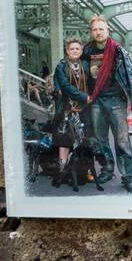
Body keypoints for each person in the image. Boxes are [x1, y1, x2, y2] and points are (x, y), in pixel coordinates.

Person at [83, 15, 132, 194]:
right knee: (100, 139)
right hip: (96, 101)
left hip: (116, 100)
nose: (98, 32)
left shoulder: (117, 50)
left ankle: (128, 177)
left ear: (107, 30)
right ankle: (107, 170)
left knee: (122, 141)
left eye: (101, 29)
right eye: (95, 29)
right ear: (92, 32)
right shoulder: (87, 50)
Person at [49, 36, 92, 187]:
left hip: (85, 108)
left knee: (85, 138)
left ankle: (83, 170)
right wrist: (84, 96)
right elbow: (65, 86)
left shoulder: (86, 65)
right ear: (67, 51)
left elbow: (93, 83)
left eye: (77, 49)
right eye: (72, 48)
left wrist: (89, 97)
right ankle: (61, 170)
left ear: (81, 51)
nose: (75, 51)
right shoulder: (61, 67)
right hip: (67, 107)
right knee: (65, 140)